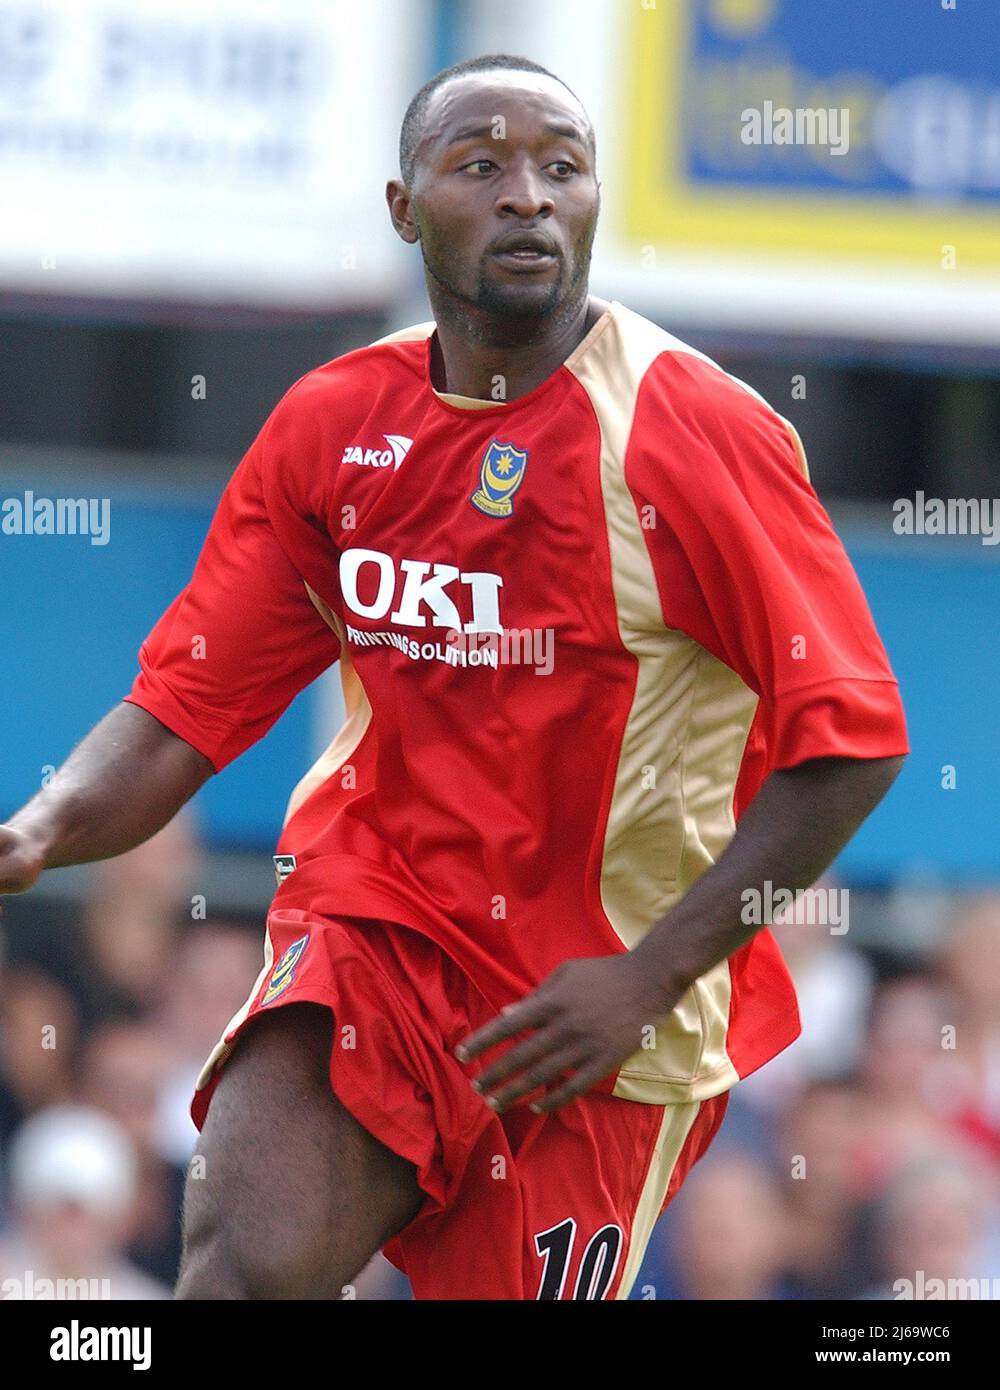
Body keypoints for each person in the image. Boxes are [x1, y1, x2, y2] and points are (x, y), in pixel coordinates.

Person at [0, 53, 909, 1300]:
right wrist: (39, 827)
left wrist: (645, 980)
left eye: (563, 167)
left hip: (603, 1013)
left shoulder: (698, 435)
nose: (529, 194)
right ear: (403, 206)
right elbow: (185, 708)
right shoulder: (332, 423)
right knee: (243, 1263)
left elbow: (854, 743)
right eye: (482, 165)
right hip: (381, 930)